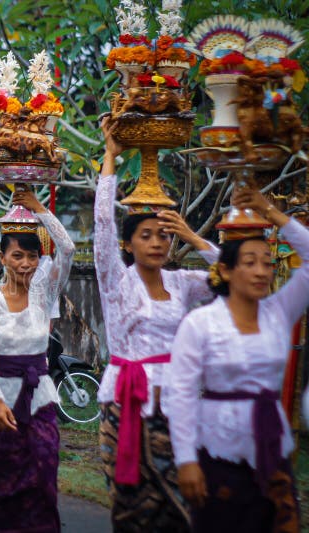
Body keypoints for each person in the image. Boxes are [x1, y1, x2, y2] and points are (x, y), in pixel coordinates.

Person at [95, 118, 220, 531]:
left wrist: (193, 236)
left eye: (163, 237)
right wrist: (110, 158)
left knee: (181, 511)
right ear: (129, 244)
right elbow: (102, 226)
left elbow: (230, 277)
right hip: (126, 405)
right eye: (146, 235)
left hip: (179, 407)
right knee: (132, 509)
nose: (157, 243)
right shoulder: (117, 282)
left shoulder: (182, 284)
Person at [166, 188, 308, 533]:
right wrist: (186, 460)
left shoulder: (278, 312)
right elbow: (180, 394)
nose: (262, 271)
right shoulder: (201, 323)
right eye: (250, 263)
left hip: (273, 453)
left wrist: (271, 212)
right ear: (226, 270)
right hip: (217, 454)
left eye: (267, 262)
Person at [0, 189, 75, 533]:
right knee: (0, 485)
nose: (26, 264)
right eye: (17, 256)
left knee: (44, 474)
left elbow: (68, 248)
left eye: (32, 256)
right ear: (2, 257)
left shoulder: (44, 293)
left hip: (40, 398)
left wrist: (39, 209)